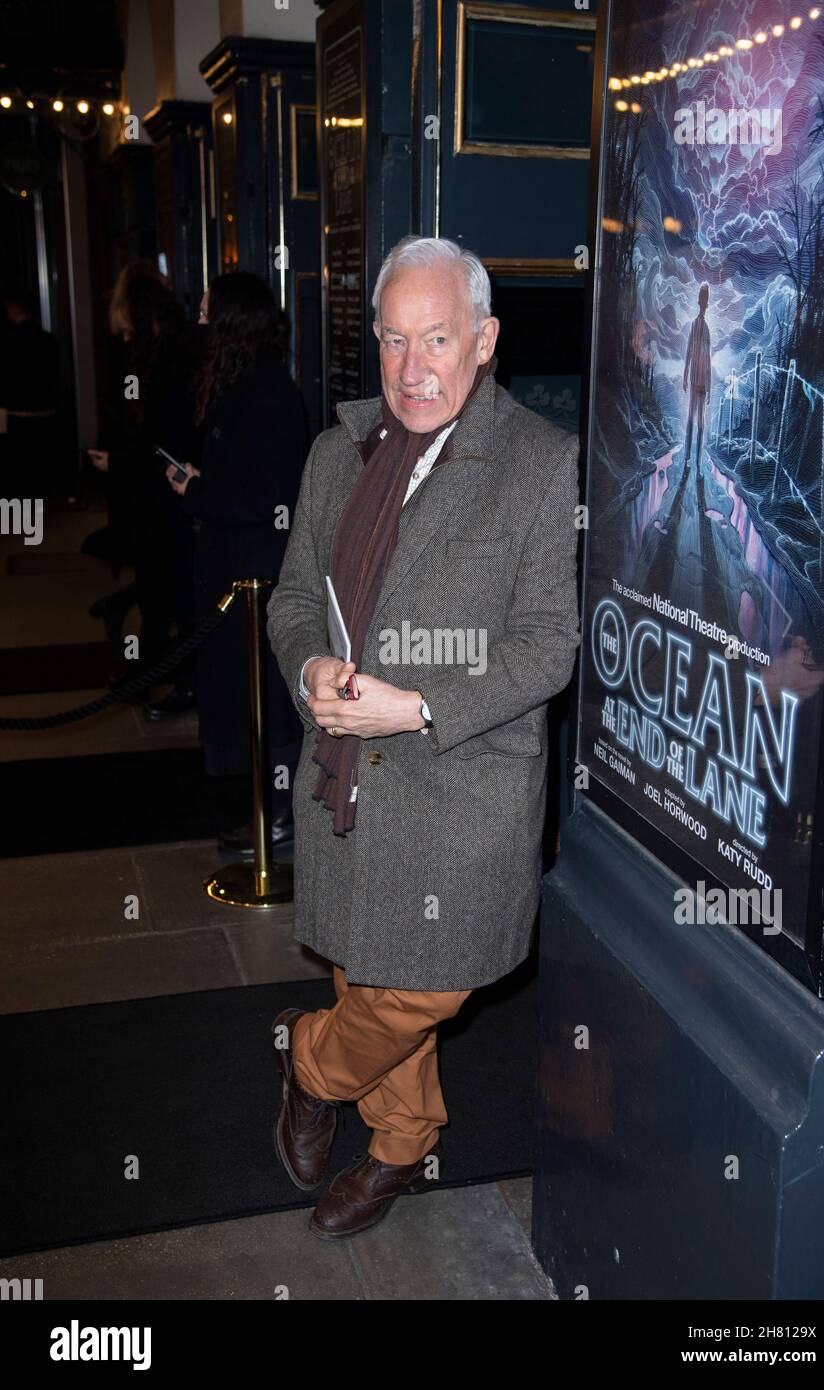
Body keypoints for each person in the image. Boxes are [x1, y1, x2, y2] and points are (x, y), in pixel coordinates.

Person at [266, 235, 580, 1238]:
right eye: (393, 340)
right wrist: (312, 667)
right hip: (345, 773)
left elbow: (546, 649)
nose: (412, 369)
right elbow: (289, 603)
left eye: (436, 339)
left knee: (425, 985)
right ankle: (401, 1141)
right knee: (370, 963)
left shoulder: (539, 461)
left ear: (483, 340)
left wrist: (415, 705)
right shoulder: (338, 449)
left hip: (464, 785)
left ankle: (311, 1065)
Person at [167, 273, 308, 855]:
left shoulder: (269, 391)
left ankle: (277, 815)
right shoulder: (243, 384)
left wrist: (194, 493)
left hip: (256, 576)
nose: (198, 325)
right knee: (244, 693)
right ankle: (263, 809)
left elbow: (263, 497)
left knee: (265, 696)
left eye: (207, 315)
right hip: (234, 571)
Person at [88, 262, 200, 704]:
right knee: (162, 588)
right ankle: (154, 672)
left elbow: (152, 433)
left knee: (166, 589)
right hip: (160, 492)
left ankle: (164, 676)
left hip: (164, 494)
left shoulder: (159, 361)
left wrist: (118, 461)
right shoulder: (168, 353)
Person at [0, 285, 61, 500]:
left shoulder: (8, 341)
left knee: (19, 471)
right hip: (46, 413)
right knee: (37, 468)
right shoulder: (47, 340)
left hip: (18, 416)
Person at [682, 281, 712, 473]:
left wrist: (709, 386)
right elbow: (688, 351)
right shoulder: (695, 324)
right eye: (702, 298)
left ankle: (698, 462)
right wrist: (685, 375)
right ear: (699, 301)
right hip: (694, 381)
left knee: (700, 423)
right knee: (691, 421)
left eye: (706, 299)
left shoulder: (707, 328)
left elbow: (708, 359)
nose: (704, 302)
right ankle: (687, 459)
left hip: (701, 383)